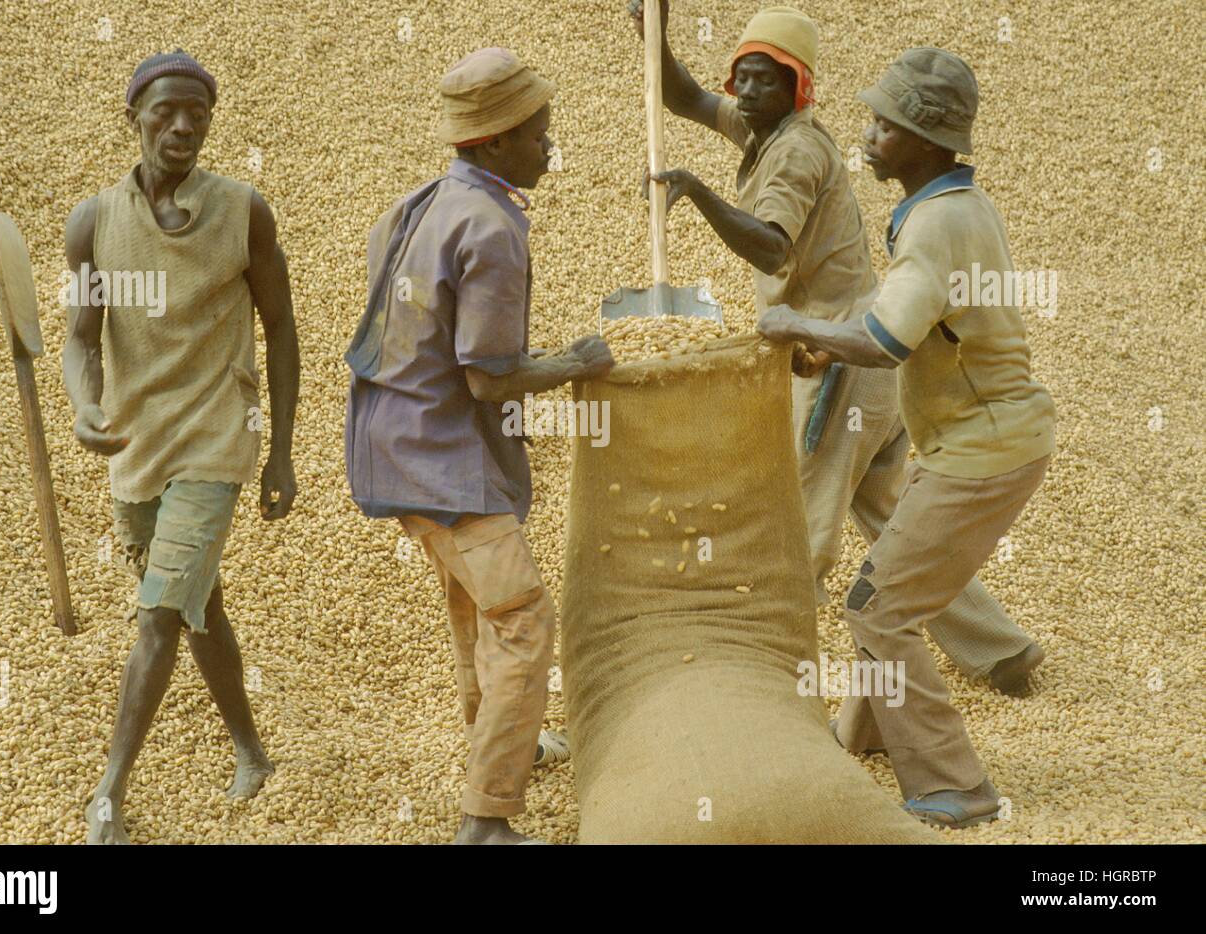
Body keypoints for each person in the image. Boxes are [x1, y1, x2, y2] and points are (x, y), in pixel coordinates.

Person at [627, 0, 1044, 694]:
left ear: (801, 88)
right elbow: (681, 96)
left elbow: (770, 246)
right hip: (872, 371)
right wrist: (656, 35)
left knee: (800, 534)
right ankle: (999, 648)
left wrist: (698, 194)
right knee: (888, 518)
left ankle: (777, 688)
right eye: (744, 76)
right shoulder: (762, 127)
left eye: (767, 79)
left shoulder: (795, 151)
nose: (748, 91)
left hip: (839, 363)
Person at [756, 48, 1057, 827]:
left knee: (876, 606)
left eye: (885, 127)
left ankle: (956, 785)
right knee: (888, 583)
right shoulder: (959, 203)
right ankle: (867, 735)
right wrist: (831, 340)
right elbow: (908, 313)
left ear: (925, 142)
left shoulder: (933, 224)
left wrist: (797, 323)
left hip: (982, 455)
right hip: (983, 440)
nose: (869, 136)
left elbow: (889, 340)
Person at [344, 47, 614, 844]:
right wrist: (576, 363)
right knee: (524, 619)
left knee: (474, 605)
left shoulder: (420, 203)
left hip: (390, 444)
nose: (548, 147)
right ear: (493, 142)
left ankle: (509, 742)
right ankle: (486, 821)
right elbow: (490, 378)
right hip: (444, 461)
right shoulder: (491, 226)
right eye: (537, 135)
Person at [62, 50, 300, 844]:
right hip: (136, 448)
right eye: (165, 110)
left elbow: (282, 329)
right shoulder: (93, 224)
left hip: (214, 441)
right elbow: (79, 339)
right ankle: (252, 751)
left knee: (159, 612)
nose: (183, 125)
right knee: (199, 606)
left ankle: (110, 794)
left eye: (198, 112)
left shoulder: (243, 212)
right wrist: (83, 405)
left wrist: (279, 452)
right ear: (133, 117)